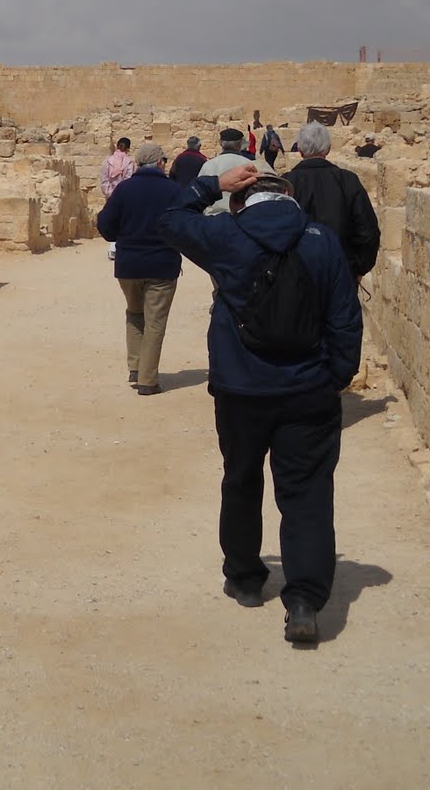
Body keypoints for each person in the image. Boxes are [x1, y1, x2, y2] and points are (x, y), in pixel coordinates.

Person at [157, 163, 362, 645]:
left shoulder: (225, 235)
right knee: (307, 493)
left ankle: (246, 578)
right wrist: (334, 378)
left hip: (240, 389)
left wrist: (211, 184)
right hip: (308, 390)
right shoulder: (322, 241)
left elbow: (169, 220)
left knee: (241, 480)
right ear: (290, 198)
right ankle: (304, 599)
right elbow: (345, 318)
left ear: (240, 201)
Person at [95, 142, 184, 395]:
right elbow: (185, 225)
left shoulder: (124, 189)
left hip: (129, 264)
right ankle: (147, 380)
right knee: (155, 322)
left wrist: (120, 238)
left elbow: (105, 223)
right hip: (162, 264)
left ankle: (135, 367)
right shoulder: (173, 190)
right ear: (160, 163)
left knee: (134, 314)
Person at [285, 121, 382, 281]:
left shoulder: (286, 184)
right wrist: (358, 269)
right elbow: (368, 231)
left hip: (297, 277)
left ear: (300, 150)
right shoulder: (349, 181)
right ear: (328, 149)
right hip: (341, 274)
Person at [197, 127, 257, 216]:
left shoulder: (209, 165)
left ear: (221, 143)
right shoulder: (249, 164)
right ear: (240, 144)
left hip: (213, 217)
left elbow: (200, 192)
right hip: (240, 216)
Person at [99, 137, 134, 260]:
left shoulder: (107, 161)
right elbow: (128, 180)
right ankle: (118, 248)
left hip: (111, 195)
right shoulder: (129, 162)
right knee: (123, 222)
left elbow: (104, 181)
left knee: (113, 221)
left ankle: (113, 249)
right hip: (124, 196)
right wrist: (122, 194)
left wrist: (111, 194)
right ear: (128, 149)